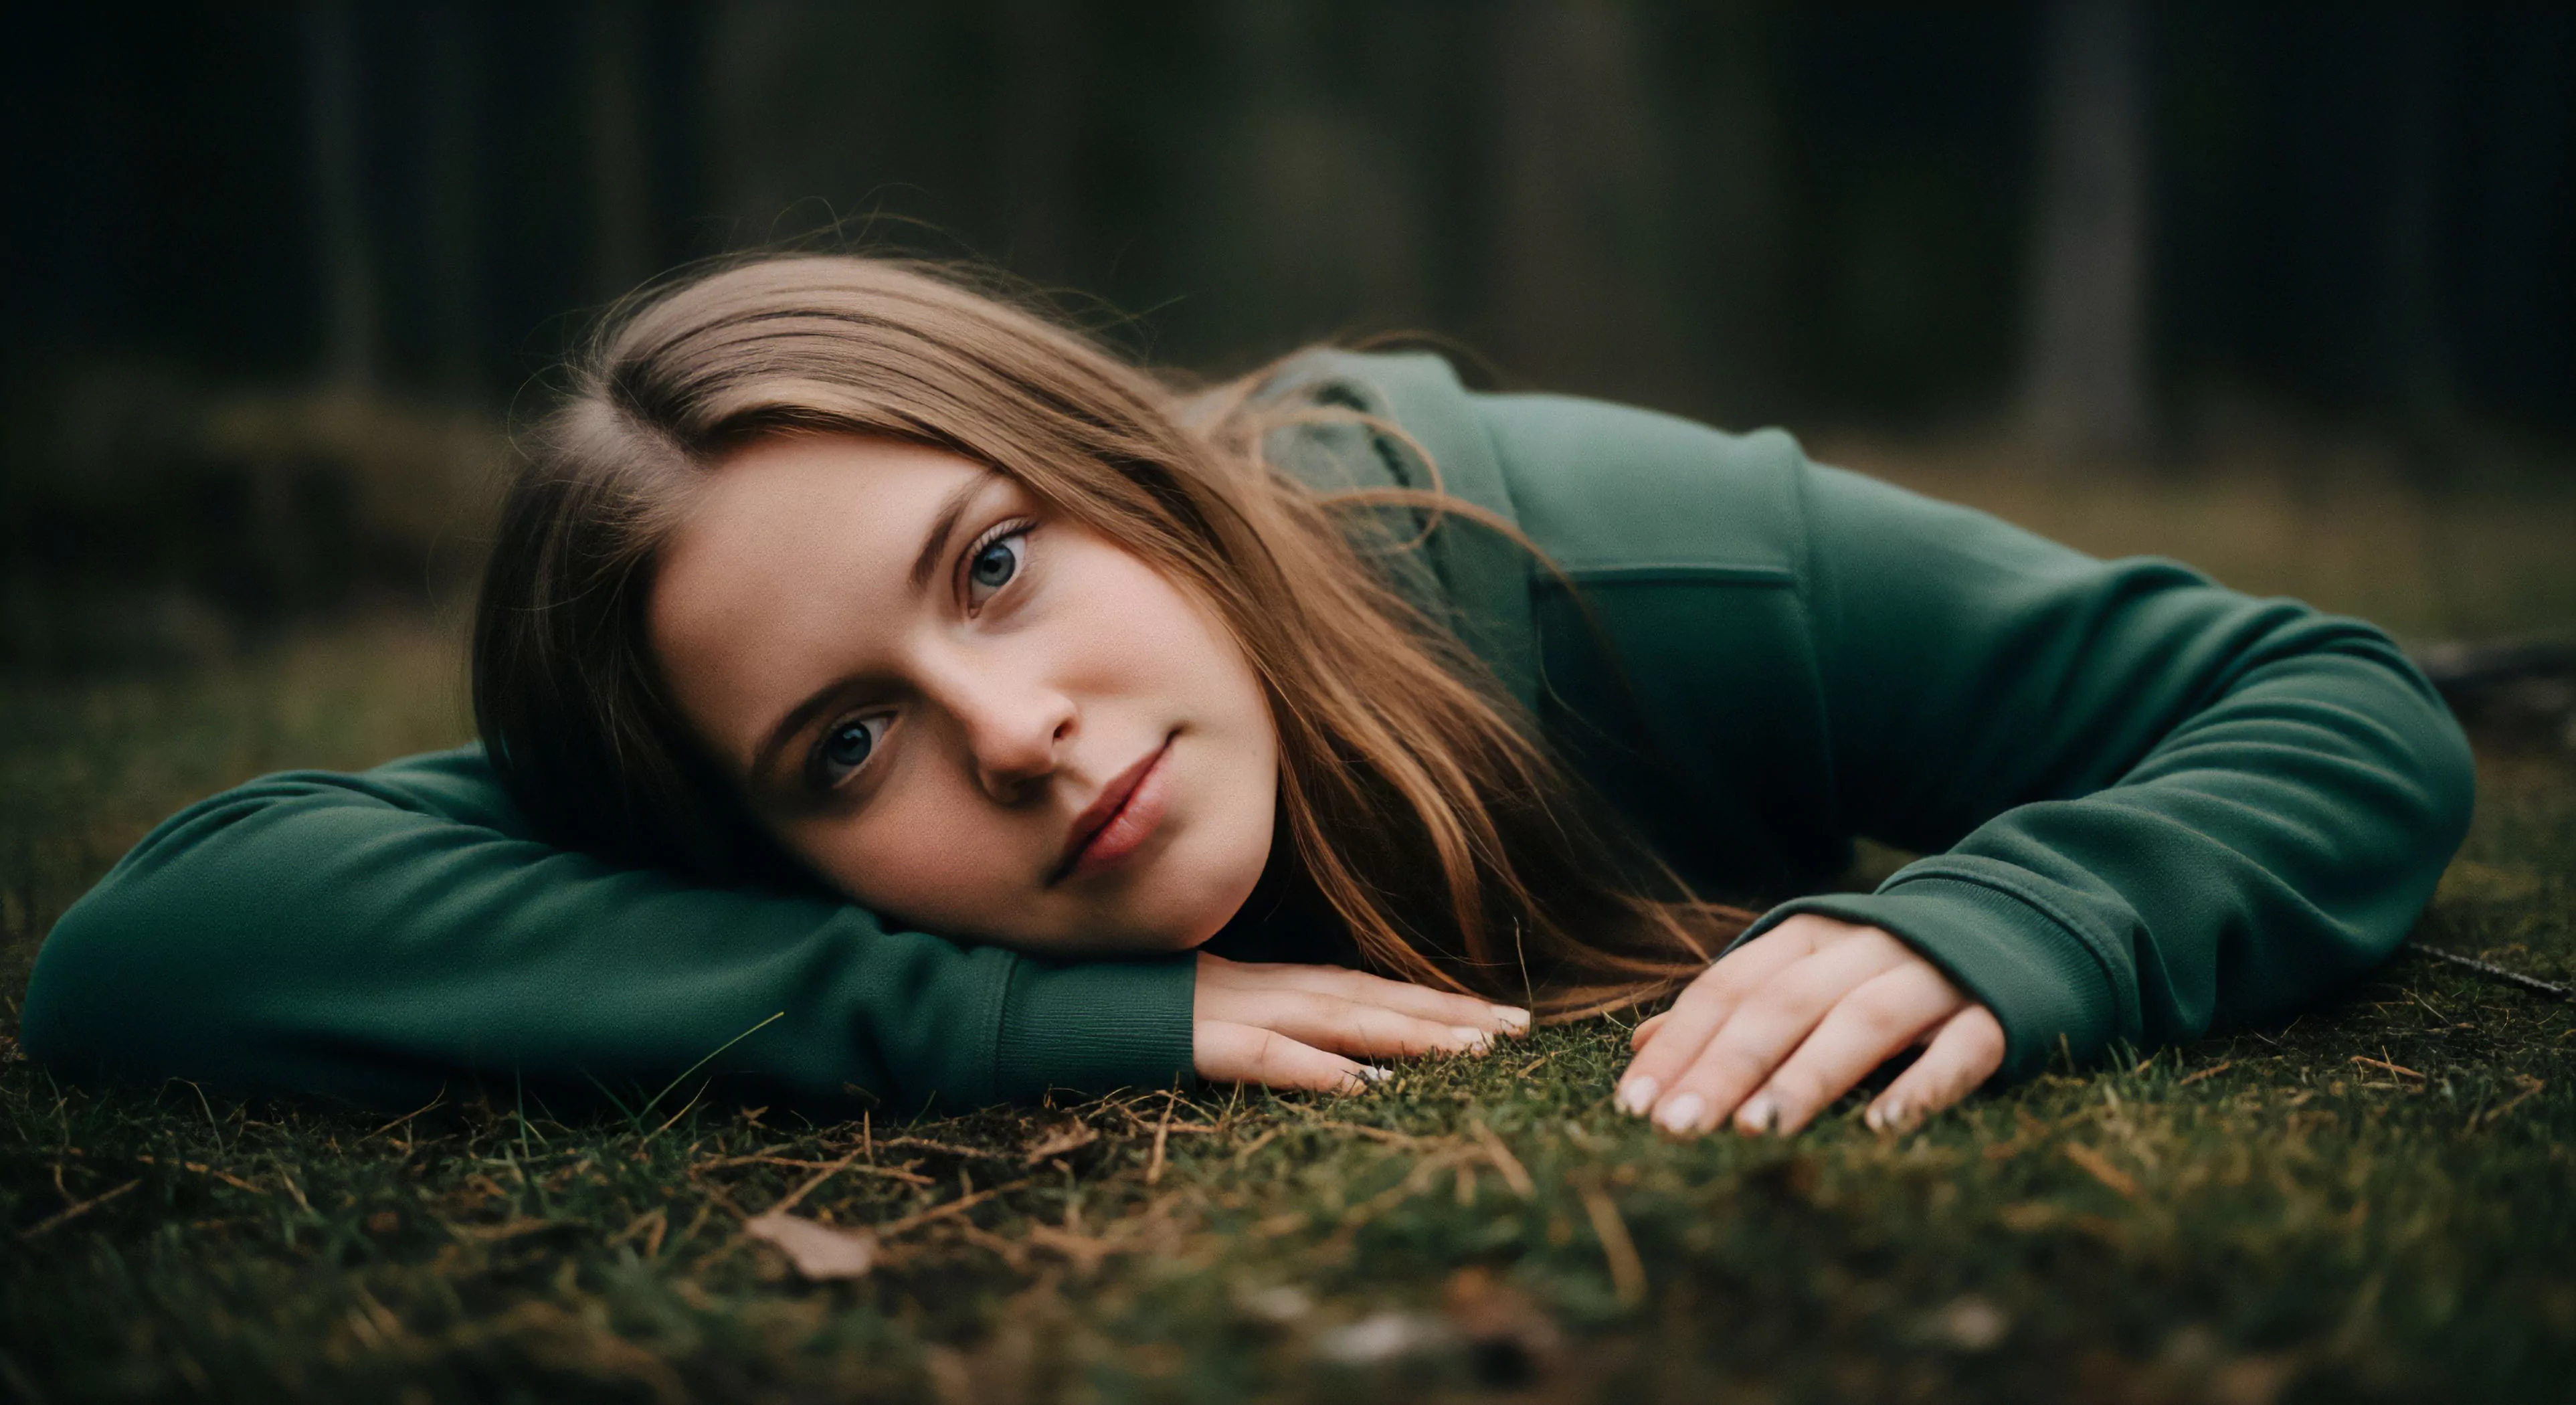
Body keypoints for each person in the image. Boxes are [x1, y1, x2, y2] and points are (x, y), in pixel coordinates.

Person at [21, 256, 2474, 1139]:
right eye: (843, 745)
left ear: (1131, 476)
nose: (1015, 735)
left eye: (995, 561)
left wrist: (2008, 918)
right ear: (752, 837)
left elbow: (2328, 705)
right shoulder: (723, 821)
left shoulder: (1614, 545)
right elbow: (159, 941)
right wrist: (1012, 1025)